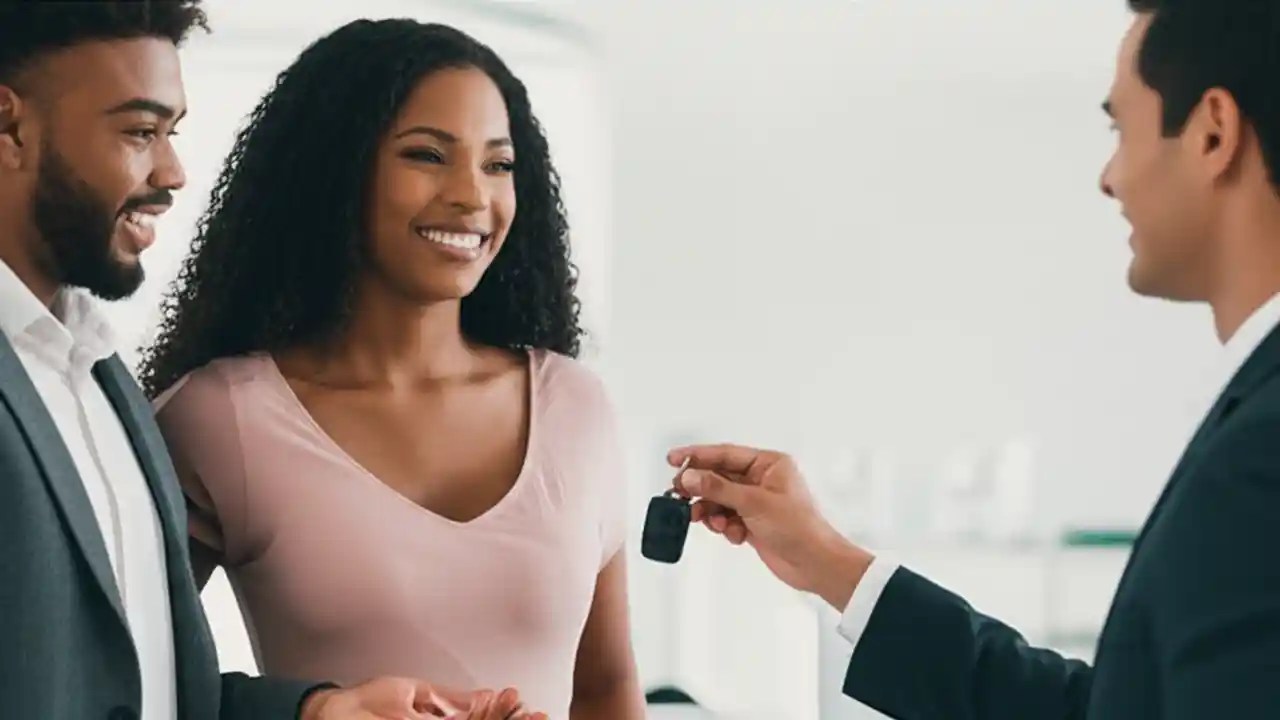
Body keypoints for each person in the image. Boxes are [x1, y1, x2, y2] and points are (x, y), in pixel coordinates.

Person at [668, 1, 1280, 718]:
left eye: (1120, 129)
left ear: (1213, 132)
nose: (1109, 178)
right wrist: (830, 562)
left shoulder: (1259, 453)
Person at [0, 2, 540, 720]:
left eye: (172, 133)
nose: (172, 171)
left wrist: (318, 711)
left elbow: (145, 692)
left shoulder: (100, 382)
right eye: (138, 132)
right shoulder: (196, 411)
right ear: (9, 127)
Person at [138, 18, 643, 720]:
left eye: (499, 164)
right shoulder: (219, 418)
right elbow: (132, 682)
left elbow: (606, 690)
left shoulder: (575, 407)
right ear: (336, 171)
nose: (472, 195)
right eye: (427, 156)